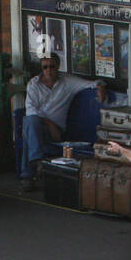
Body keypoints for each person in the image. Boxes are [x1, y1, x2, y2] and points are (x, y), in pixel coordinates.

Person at [20, 53, 94, 189]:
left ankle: (29, 173)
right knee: (30, 123)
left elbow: (89, 84)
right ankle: (37, 161)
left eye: (52, 66)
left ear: (58, 67)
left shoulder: (67, 82)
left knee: (28, 129)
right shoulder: (33, 84)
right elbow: (30, 110)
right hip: (41, 127)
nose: (48, 70)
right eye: (45, 67)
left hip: (56, 132)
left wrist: (100, 86)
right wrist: (49, 123)